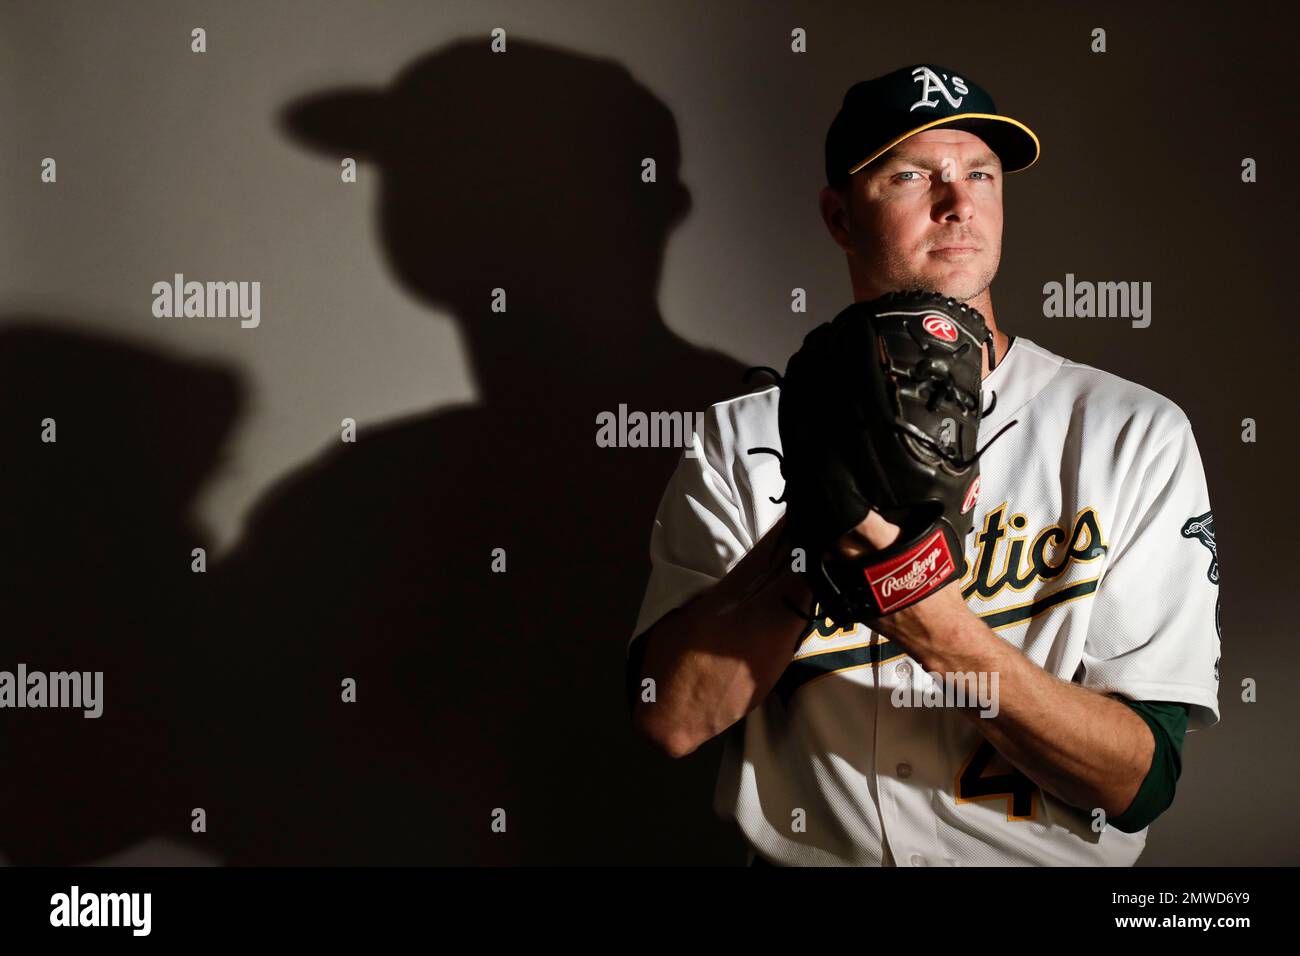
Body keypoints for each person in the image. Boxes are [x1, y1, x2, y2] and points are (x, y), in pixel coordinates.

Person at [625, 64, 1222, 866]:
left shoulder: (1130, 431)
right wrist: (811, 539)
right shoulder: (750, 434)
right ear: (839, 217)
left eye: (980, 173)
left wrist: (920, 606)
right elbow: (671, 719)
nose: (959, 202)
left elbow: (1140, 779)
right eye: (911, 175)